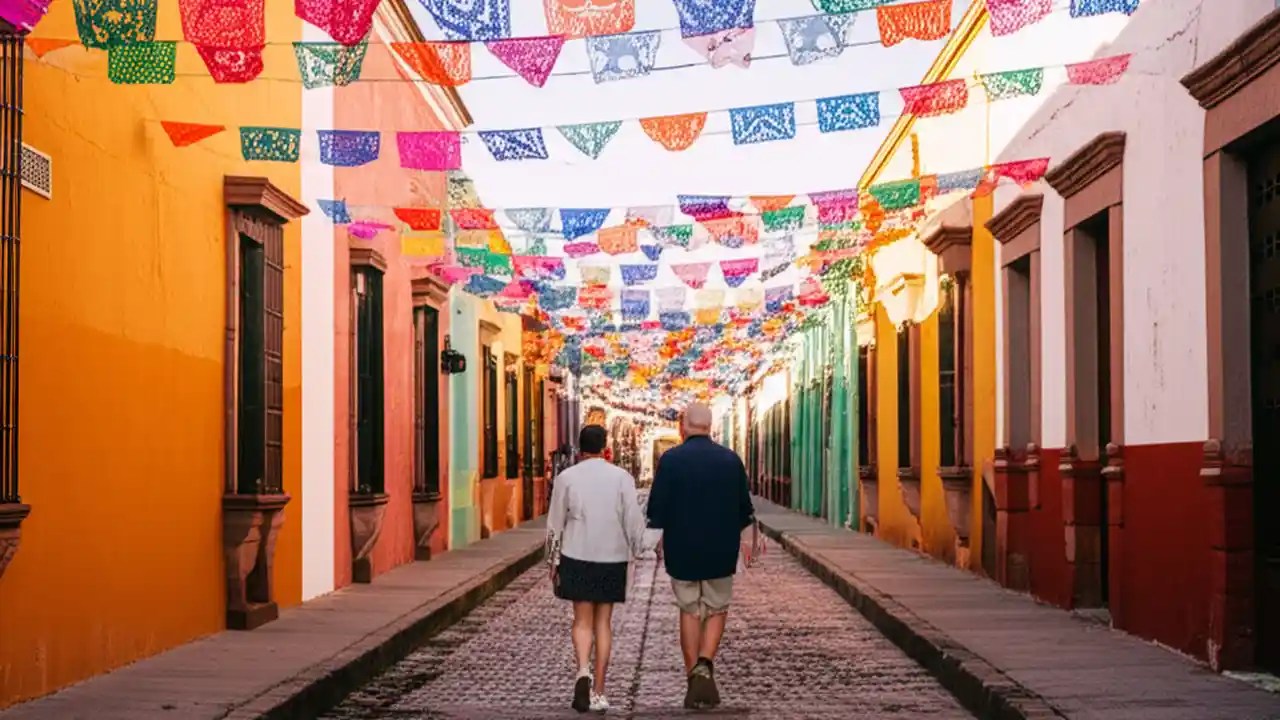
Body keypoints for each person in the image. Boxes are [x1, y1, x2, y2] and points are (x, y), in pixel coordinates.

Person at [645, 402, 754, 710]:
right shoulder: (731, 460)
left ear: (683, 426)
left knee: (690, 610)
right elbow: (744, 510)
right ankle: (705, 663)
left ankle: (694, 678)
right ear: (711, 426)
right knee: (718, 609)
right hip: (721, 549)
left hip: (683, 550)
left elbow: (657, 511)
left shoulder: (671, 460)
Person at [546, 425, 648, 713]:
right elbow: (632, 519)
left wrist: (552, 561)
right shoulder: (621, 478)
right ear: (606, 449)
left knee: (581, 621)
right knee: (603, 623)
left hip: (576, 554)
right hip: (611, 557)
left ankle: (582, 671)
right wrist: (640, 548)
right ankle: (599, 691)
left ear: (579, 450)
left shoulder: (566, 478)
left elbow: (555, 523)